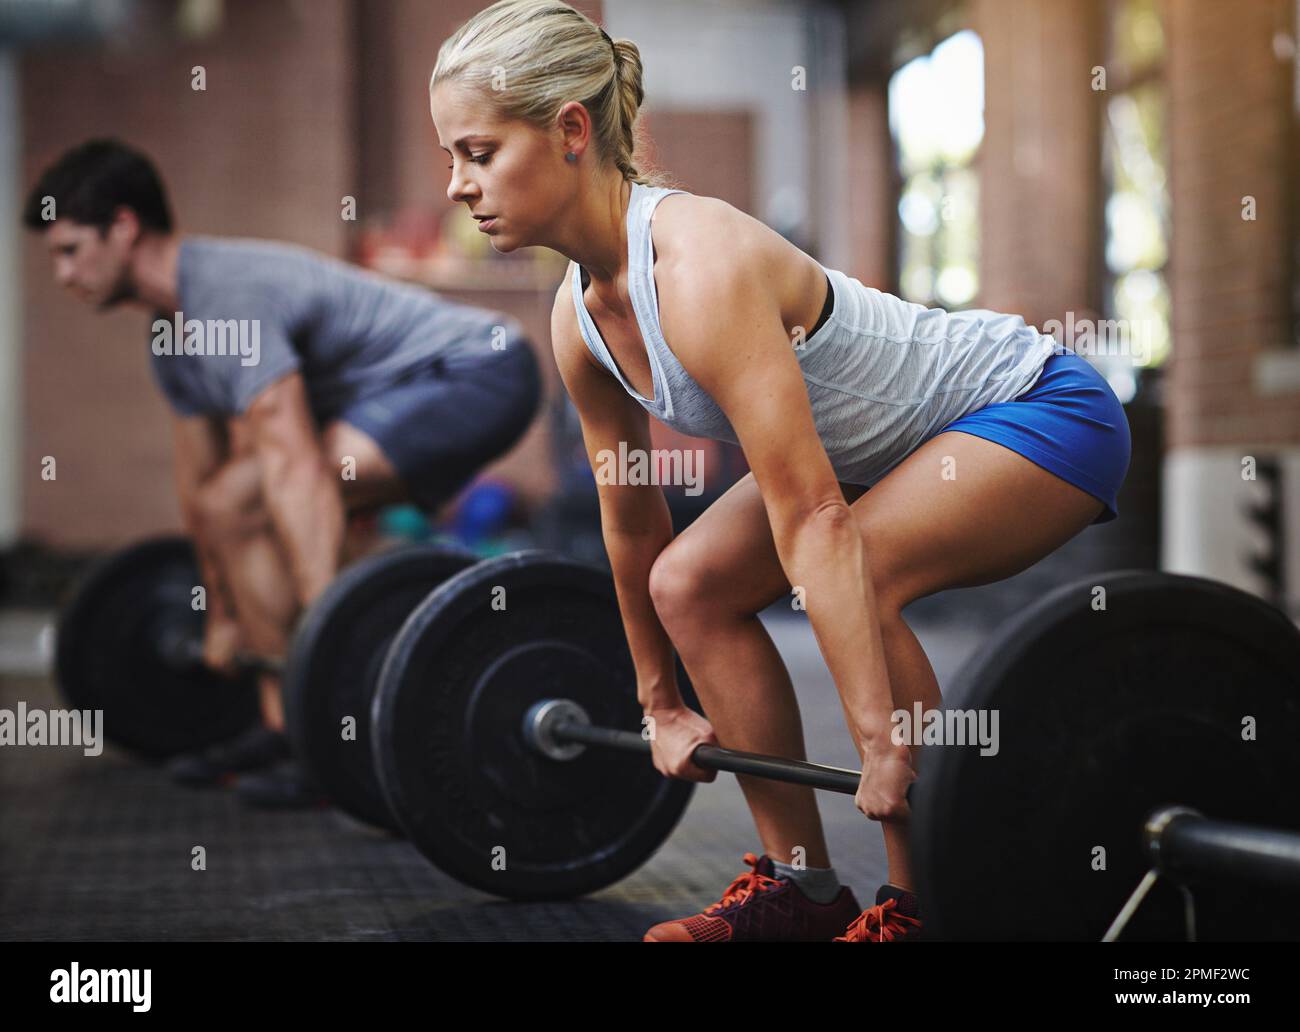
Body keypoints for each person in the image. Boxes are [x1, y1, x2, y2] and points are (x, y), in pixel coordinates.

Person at [429, 0, 1131, 941]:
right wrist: (658, 701)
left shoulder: (698, 265)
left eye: (477, 152)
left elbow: (817, 522)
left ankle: (922, 906)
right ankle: (801, 891)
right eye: (452, 159)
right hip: (890, 451)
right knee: (691, 582)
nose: (455, 186)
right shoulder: (579, 319)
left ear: (568, 130)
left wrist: (882, 743)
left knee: (855, 569)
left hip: (1033, 409)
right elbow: (632, 522)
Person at [23, 139, 542, 807]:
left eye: (69, 250)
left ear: (123, 227)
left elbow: (296, 469)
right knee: (230, 501)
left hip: (481, 368)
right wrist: (219, 614)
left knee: (277, 487)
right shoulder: (173, 341)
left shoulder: (225, 296)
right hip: (398, 397)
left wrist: (329, 634)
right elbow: (202, 489)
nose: (63, 274)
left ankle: (328, 713)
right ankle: (285, 725)